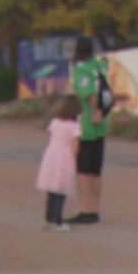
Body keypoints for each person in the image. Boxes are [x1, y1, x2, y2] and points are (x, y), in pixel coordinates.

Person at [66, 37, 107, 224]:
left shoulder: (80, 68)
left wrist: (95, 111)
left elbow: (89, 92)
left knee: (83, 170)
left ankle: (85, 209)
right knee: (96, 170)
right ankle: (95, 209)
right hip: (101, 126)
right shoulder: (99, 65)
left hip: (87, 124)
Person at [36, 96, 82, 231]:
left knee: (51, 189)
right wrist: (75, 158)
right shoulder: (74, 126)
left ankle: (49, 218)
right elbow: (74, 145)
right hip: (65, 157)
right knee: (61, 188)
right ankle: (58, 220)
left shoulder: (55, 122)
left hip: (51, 154)